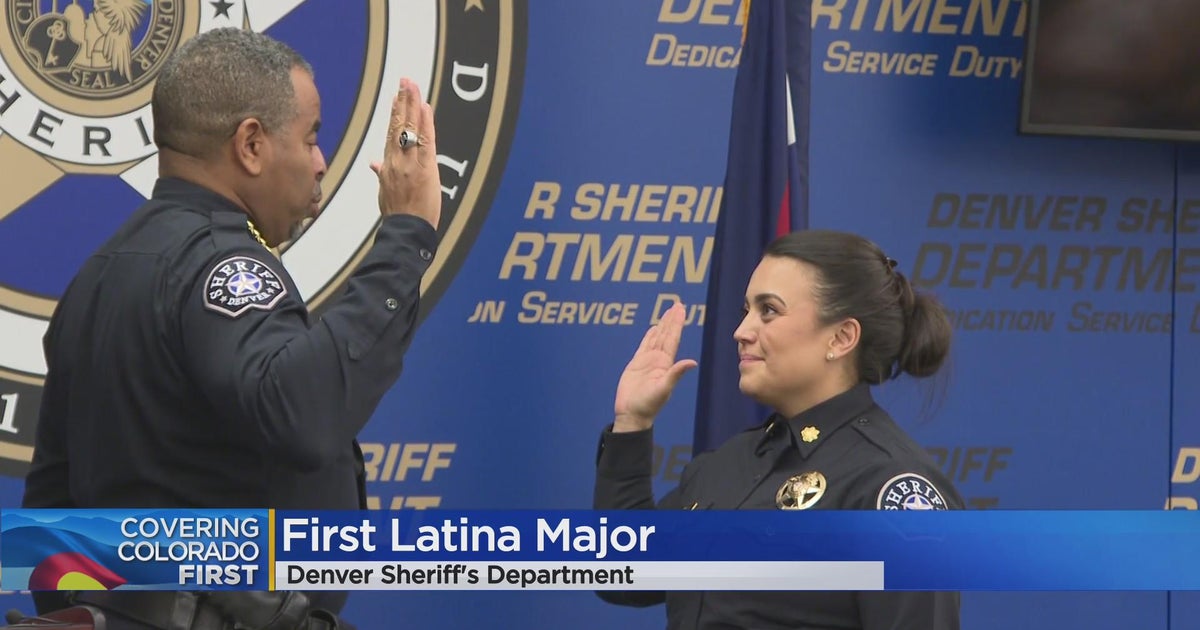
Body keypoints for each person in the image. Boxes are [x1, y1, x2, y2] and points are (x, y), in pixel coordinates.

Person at [18, 27, 441, 630]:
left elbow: (49, 517)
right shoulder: (224, 264)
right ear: (250, 145)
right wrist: (405, 235)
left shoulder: (98, 276)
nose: (321, 162)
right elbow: (304, 415)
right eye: (312, 137)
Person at [594, 229, 963, 629]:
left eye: (768, 310)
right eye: (746, 310)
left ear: (841, 337)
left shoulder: (889, 486)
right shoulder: (726, 464)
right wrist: (632, 422)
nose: (741, 330)